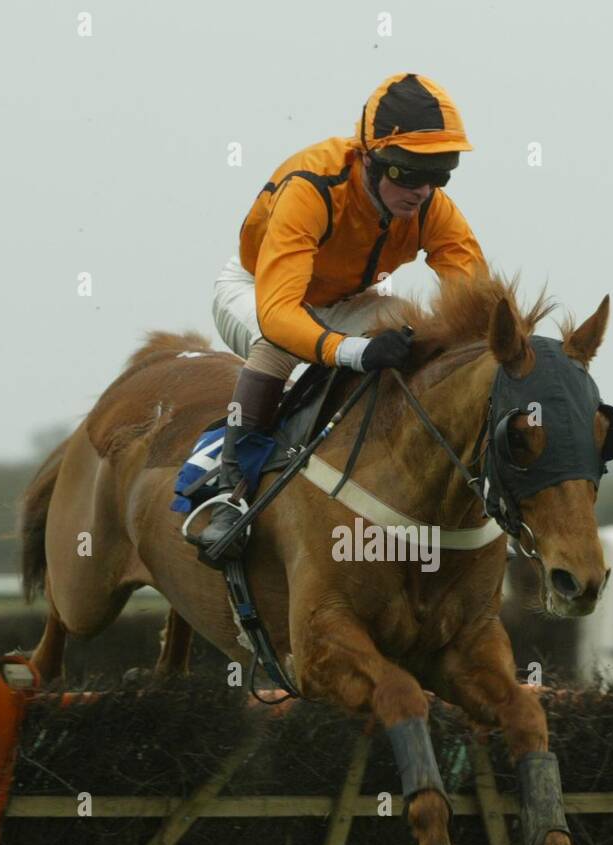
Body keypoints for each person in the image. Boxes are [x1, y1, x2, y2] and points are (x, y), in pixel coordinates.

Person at [195, 72, 489, 564]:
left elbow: (475, 301)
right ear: (370, 158)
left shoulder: (431, 208)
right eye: (408, 174)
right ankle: (232, 492)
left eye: (439, 174)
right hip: (257, 291)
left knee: (416, 332)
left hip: (347, 298)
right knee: (285, 346)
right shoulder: (312, 186)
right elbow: (281, 314)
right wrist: (354, 351)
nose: (422, 192)